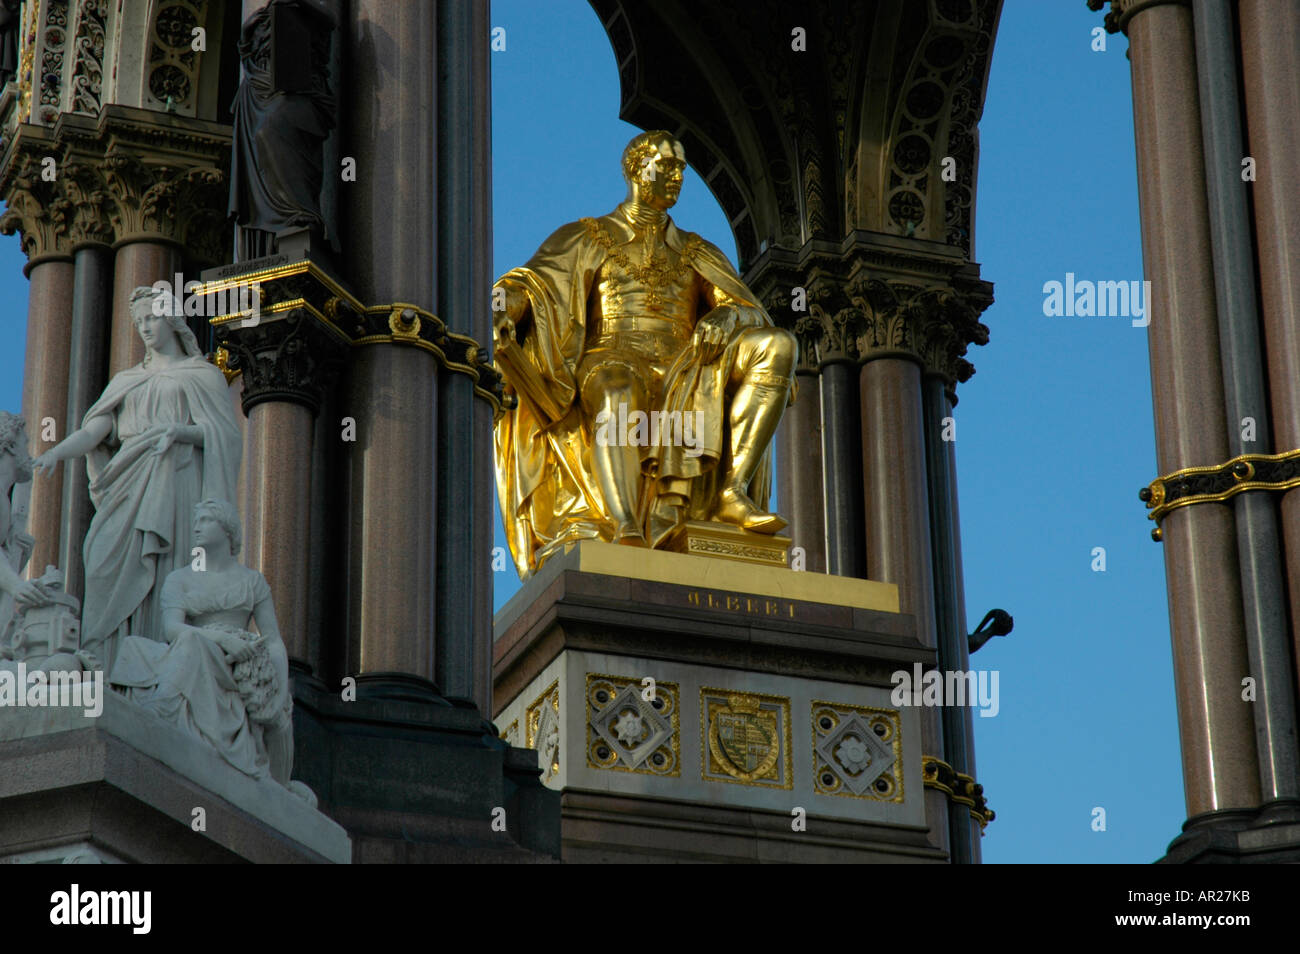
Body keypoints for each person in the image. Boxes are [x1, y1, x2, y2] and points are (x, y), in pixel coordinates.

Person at [493, 130, 797, 577]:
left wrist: (725, 319)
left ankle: (732, 491)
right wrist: (503, 307)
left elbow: (746, 309)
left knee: (778, 346)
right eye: (668, 166)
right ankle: (625, 526)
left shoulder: (696, 250)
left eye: (681, 169)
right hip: (612, 356)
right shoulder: (586, 235)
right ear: (637, 169)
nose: (678, 176)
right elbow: (533, 288)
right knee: (619, 389)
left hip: (686, 366)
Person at [33, 286, 241, 672]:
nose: (145, 327)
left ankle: (153, 666)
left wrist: (178, 433)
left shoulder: (202, 375)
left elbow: (223, 436)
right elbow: (95, 432)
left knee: (163, 569)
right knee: (99, 559)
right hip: (124, 485)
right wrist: (56, 453)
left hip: (174, 483)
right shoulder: (126, 380)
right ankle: (107, 667)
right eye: (139, 321)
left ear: (172, 320)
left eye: (152, 318)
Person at [110, 498, 299, 792]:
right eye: (196, 521)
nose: (196, 528)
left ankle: (163, 711)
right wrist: (222, 638)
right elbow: (173, 629)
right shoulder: (180, 579)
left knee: (190, 645)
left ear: (227, 530)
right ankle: (163, 713)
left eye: (205, 520)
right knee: (137, 647)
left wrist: (280, 686)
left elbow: (273, 639)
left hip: (236, 665)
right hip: (198, 650)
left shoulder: (253, 582)